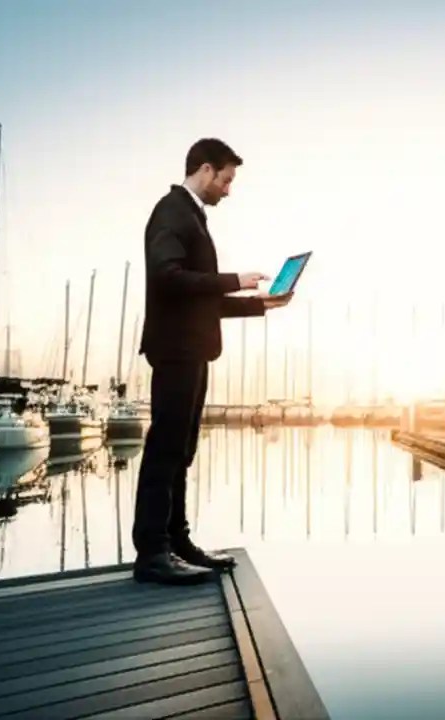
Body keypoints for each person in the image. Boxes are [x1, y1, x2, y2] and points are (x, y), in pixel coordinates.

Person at [133, 138, 291, 585]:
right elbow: (168, 279)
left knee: (181, 450)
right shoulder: (171, 211)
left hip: (193, 348)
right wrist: (234, 279)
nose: (227, 190)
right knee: (165, 448)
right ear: (205, 169)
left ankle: (177, 542)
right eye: (225, 180)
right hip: (175, 349)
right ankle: (152, 553)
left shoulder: (192, 217)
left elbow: (201, 300)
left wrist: (259, 302)